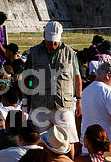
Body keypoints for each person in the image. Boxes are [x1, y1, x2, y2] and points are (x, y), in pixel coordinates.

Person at [22, 22, 81, 150]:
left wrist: (79, 100)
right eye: (49, 42)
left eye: (55, 42)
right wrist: (27, 97)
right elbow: (28, 78)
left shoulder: (69, 52)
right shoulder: (34, 53)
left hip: (63, 105)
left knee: (68, 139)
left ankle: (69, 159)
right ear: (44, 35)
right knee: (36, 140)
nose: (52, 46)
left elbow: (77, 78)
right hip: (40, 104)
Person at [80, 62, 111, 145]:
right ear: (108, 75)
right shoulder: (108, 91)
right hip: (105, 145)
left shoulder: (85, 91)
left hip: (87, 146)